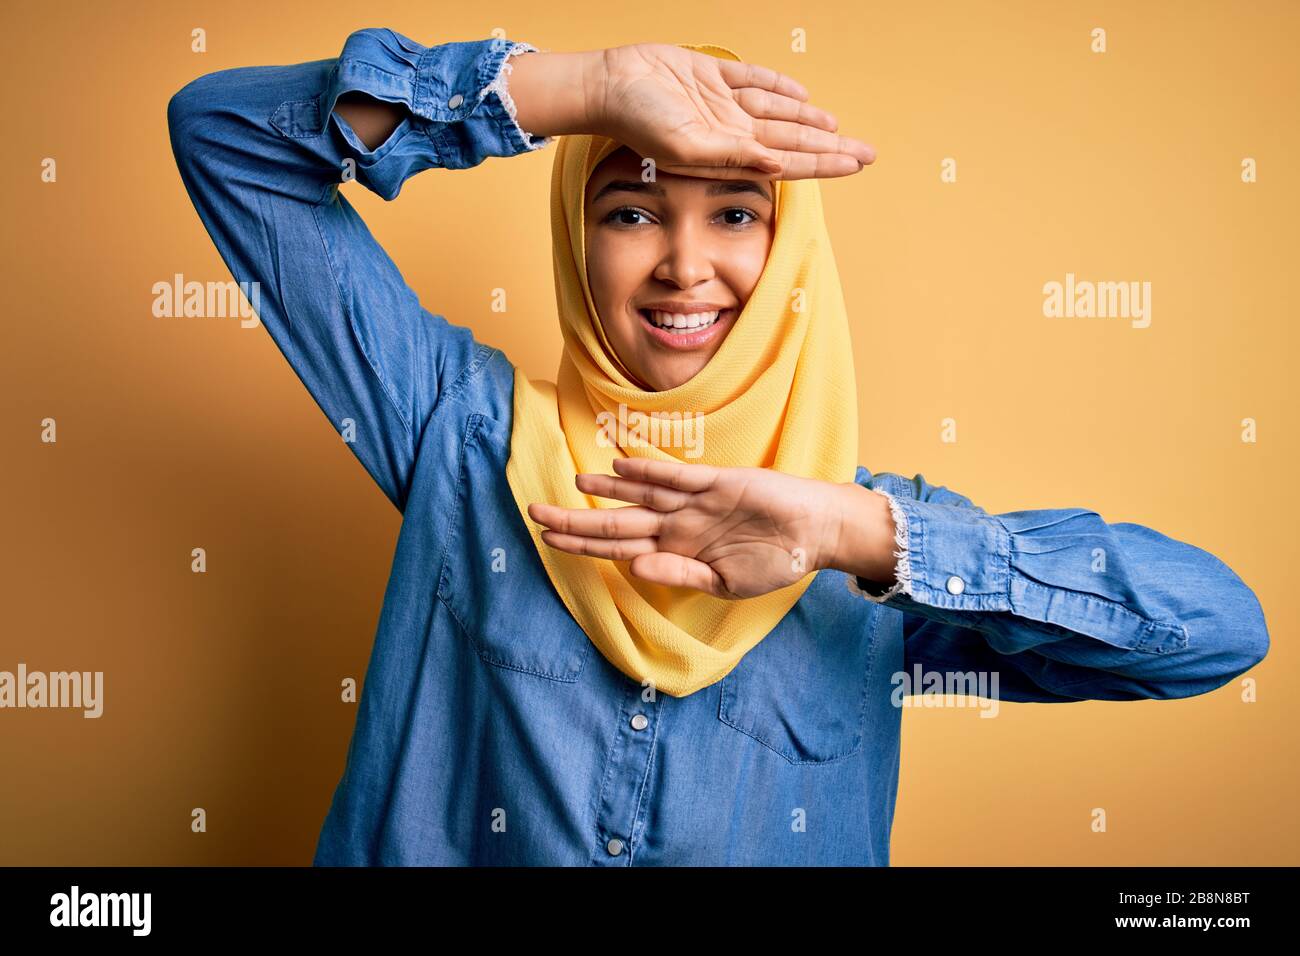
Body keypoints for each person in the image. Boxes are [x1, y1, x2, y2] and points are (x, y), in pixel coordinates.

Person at [167, 28, 1269, 866]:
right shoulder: (458, 434)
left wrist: (847, 529)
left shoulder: (873, 554)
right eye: (632, 210)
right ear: (575, 236)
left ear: (791, 253)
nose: (684, 265)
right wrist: (577, 91)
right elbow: (224, 137)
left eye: (737, 214)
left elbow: (1214, 629)